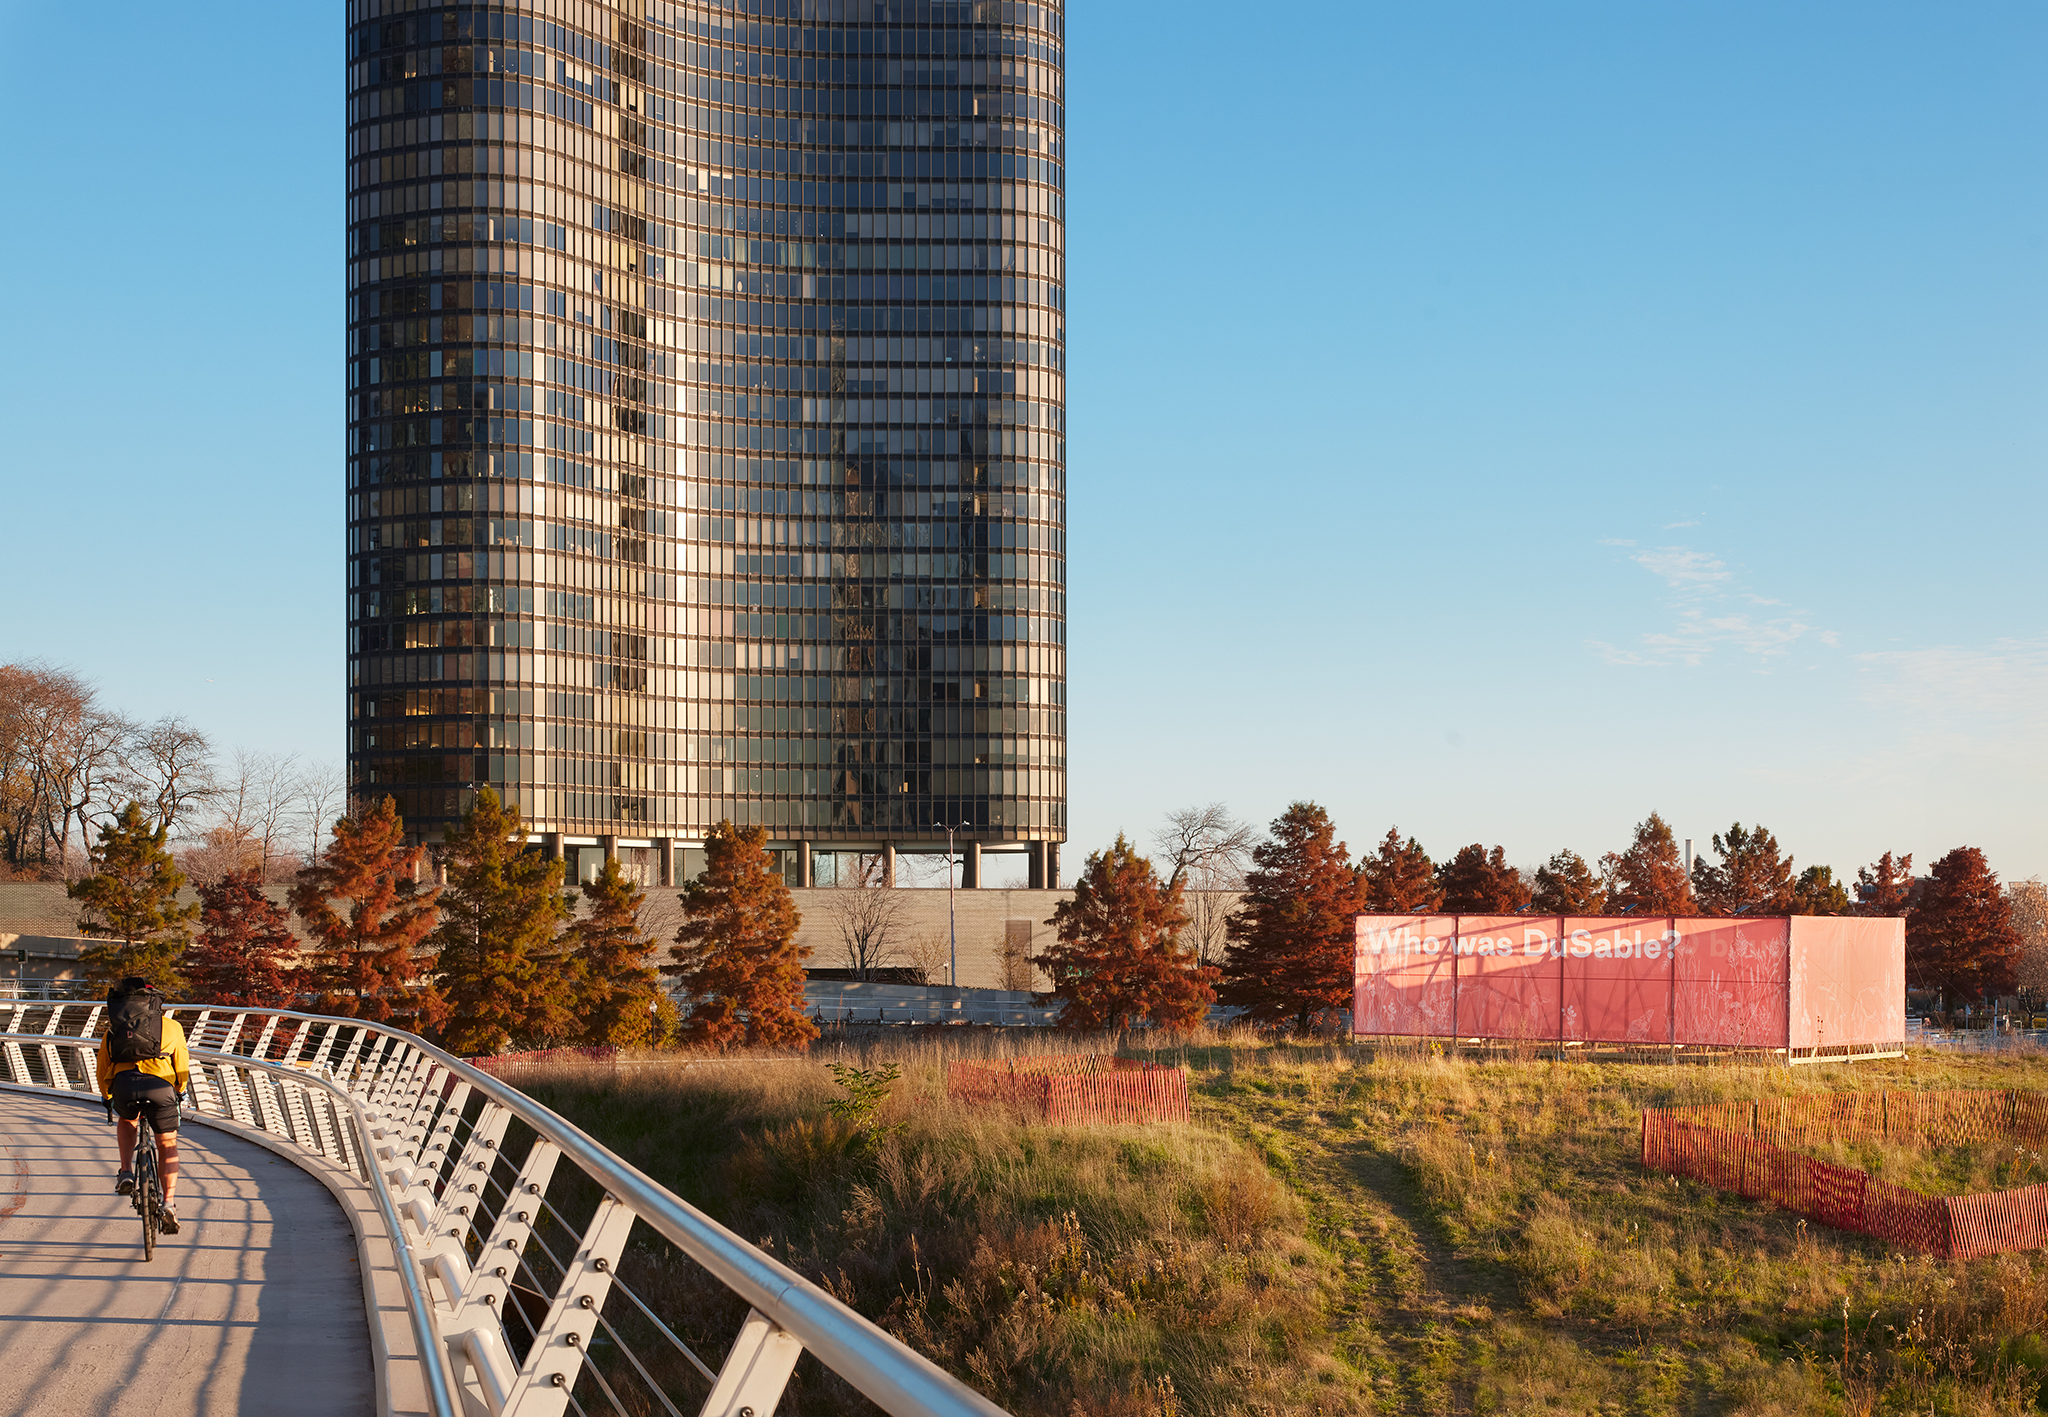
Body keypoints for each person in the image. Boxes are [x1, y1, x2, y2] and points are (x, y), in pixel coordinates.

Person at [96, 977, 191, 1235]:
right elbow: (182, 1064)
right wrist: (180, 1090)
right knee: (167, 1143)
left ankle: (126, 1171)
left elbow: (103, 1067)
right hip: (160, 1088)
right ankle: (168, 1203)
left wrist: (107, 1096)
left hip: (125, 1086)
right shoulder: (170, 1027)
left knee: (128, 1120)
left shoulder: (114, 1030)